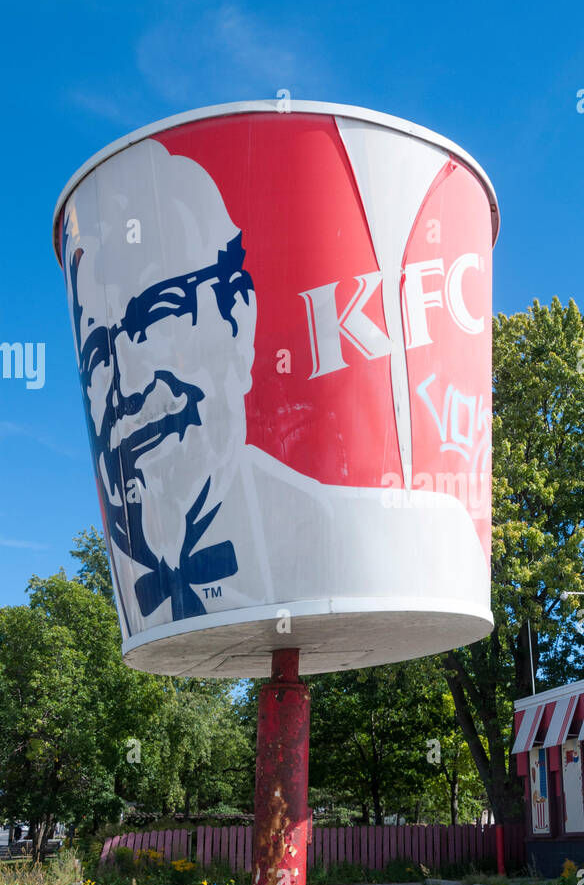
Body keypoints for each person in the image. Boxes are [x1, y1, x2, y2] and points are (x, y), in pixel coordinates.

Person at [61, 138, 488, 661]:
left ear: (239, 320)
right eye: (98, 353)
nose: (126, 384)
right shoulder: (131, 574)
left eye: (155, 315)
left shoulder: (416, 538)